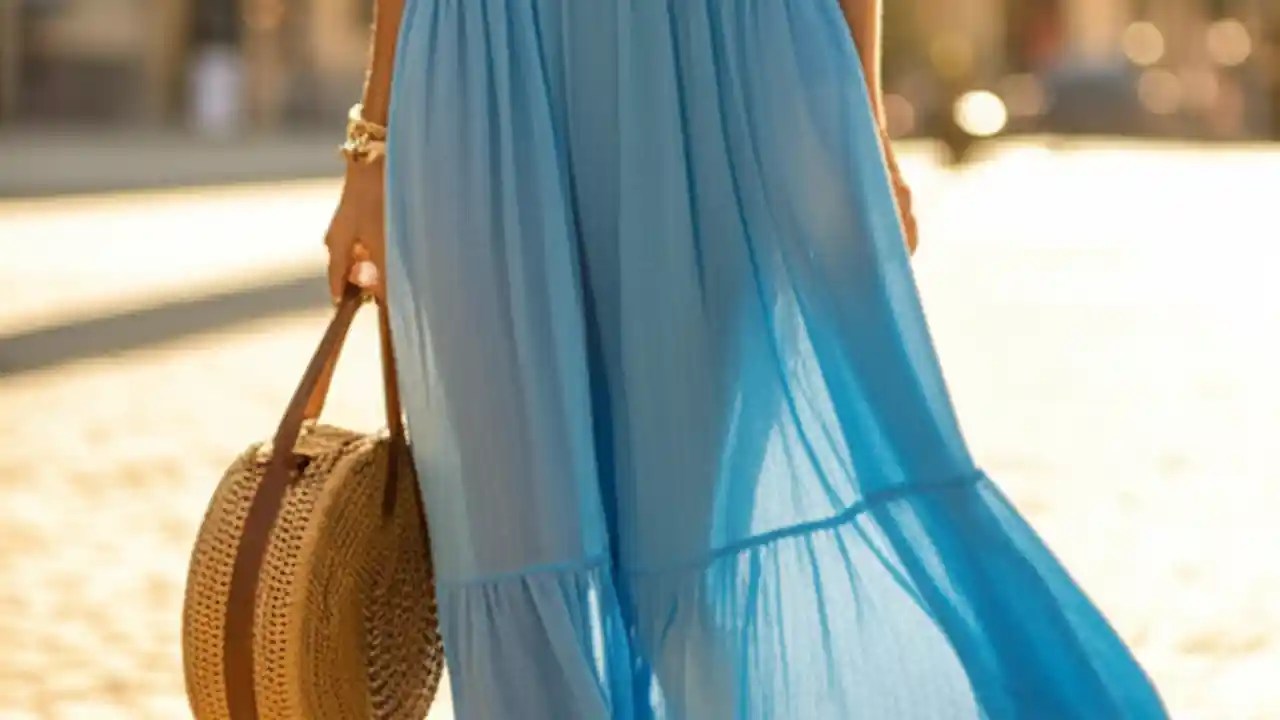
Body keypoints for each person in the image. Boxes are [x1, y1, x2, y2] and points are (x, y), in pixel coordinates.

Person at [325, 1, 1168, 718]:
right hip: (487, 59)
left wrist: (860, 124)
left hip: (721, 63)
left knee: (691, 543)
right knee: (516, 540)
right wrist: (374, 139)